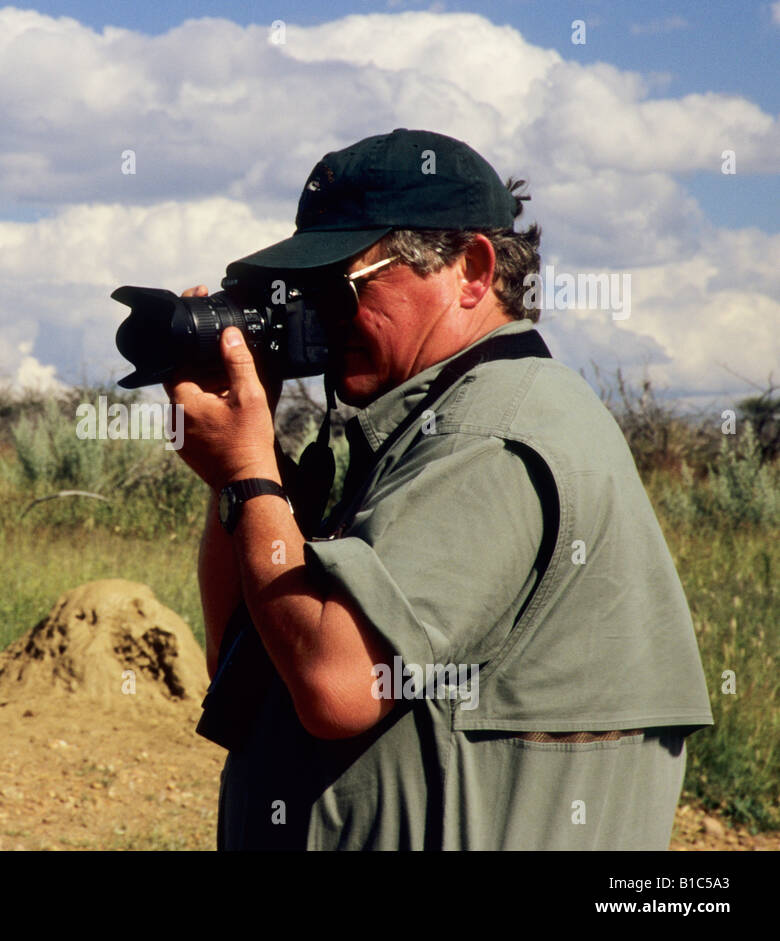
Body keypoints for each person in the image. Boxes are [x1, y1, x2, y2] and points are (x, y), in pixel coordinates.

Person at [164, 128, 714, 850]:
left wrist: (248, 474)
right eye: (308, 291)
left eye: (343, 287)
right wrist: (238, 471)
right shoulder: (422, 423)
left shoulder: (490, 435)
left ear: (473, 270)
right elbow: (244, 657)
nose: (325, 315)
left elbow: (336, 684)